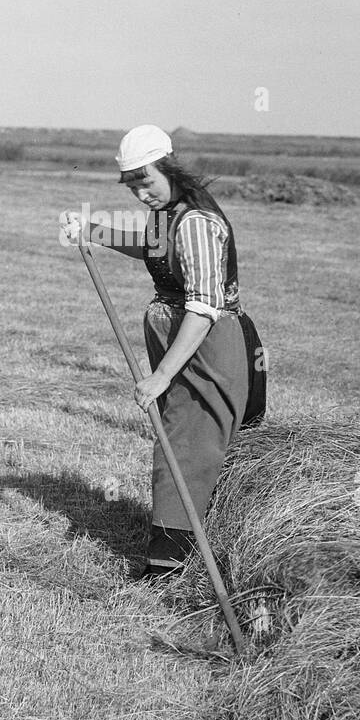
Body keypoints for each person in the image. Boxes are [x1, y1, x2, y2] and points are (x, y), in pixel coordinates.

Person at [60, 125, 266, 574]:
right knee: (184, 438)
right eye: (132, 185)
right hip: (179, 340)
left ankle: (170, 564)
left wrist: (161, 376)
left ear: (169, 167)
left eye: (146, 181)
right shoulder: (167, 213)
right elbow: (152, 249)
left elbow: (203, 309)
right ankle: (190, 544)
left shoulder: (196, 222)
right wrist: (93, 230)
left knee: (187, 443)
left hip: (207, 346)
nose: (141, 194)